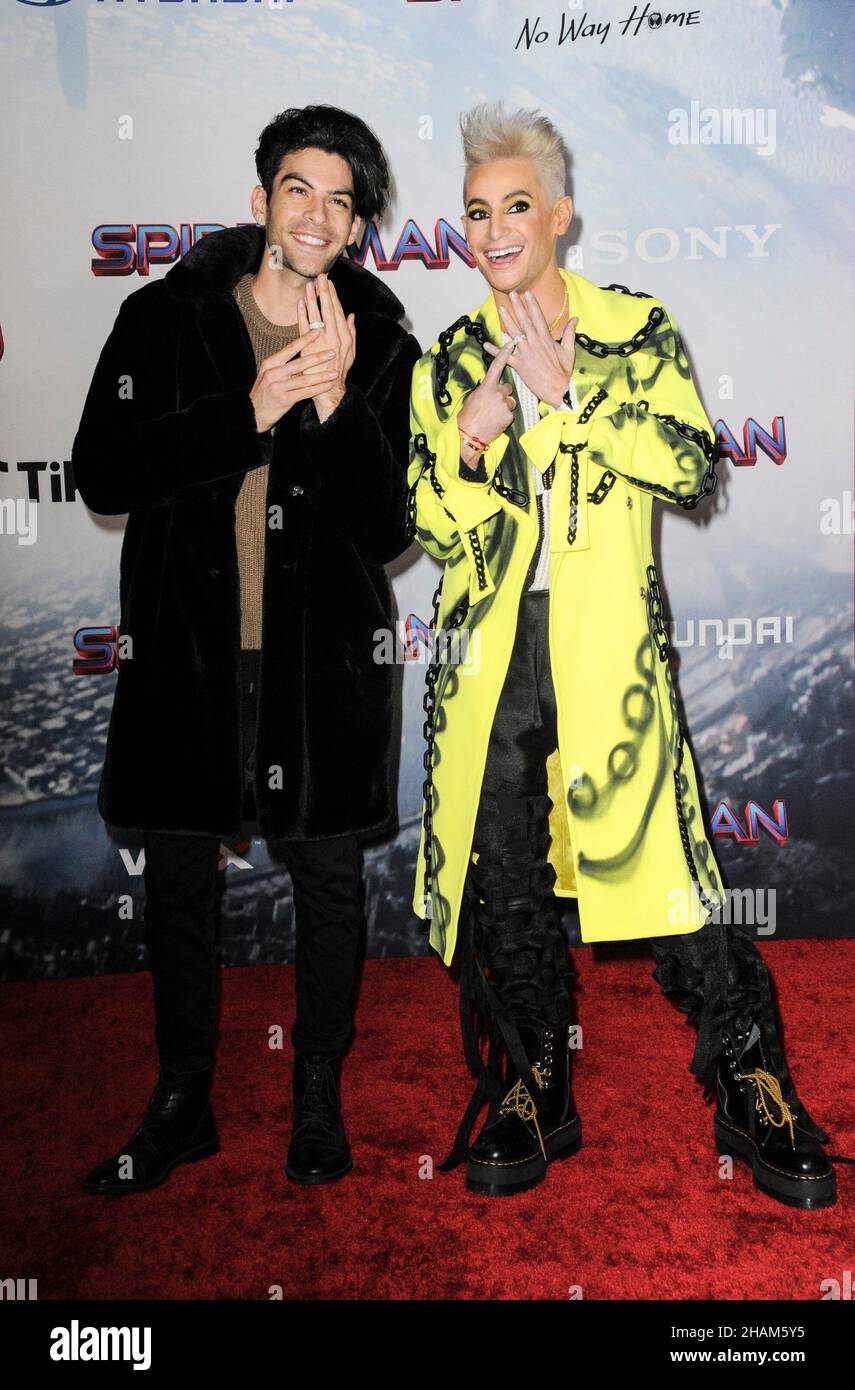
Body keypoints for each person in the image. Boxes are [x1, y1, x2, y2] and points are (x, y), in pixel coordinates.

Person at [405, 101, 836, 1206]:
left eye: (514, 206)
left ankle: (752, 1083)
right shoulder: (449, 357)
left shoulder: (634, 330)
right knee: (506, 880)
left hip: (610, 657)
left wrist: (572, 397)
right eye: (473, 213)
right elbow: (430, 519)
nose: (493, 229)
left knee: (668, 876)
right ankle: (538, 1077)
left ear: (559, 213)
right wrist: (467, 440)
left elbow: (693, 467)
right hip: (492, 653)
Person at [72, 105, 421, 1191]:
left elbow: (388, 529)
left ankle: (316, 1090)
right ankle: (185, 1102)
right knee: (179, 881)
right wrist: (249, 410)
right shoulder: (164, 319)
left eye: (341, 199)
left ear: (358, 227)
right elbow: (103, 472)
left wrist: (336, 403)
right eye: (299, 189)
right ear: (261, 199)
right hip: (191, 658)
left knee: (325, 879)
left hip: (316, 673)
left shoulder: (382, 342)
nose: (317, 213)